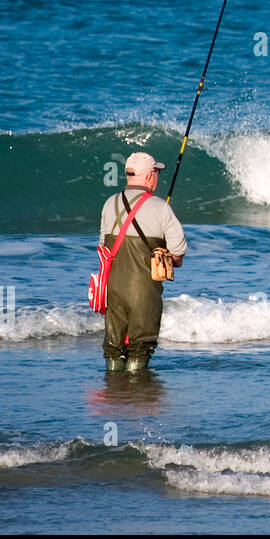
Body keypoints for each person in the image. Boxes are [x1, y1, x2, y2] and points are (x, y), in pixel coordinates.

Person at [100, 151, 187, 373]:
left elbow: (103, 247)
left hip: (114, 288)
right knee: (141, 346)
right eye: (156, 172)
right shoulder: (160, 207)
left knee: (114, 346)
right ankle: (137, 393)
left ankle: (114, 390)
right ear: (149, 176)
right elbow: (178, 254)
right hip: (144, 291)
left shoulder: (110, 203)